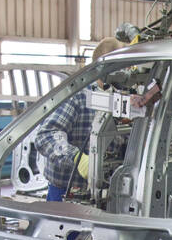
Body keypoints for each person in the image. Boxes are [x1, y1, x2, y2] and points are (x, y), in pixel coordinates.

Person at [36, 37, 128, 202]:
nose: (125, 71)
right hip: (66, 190)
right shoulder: (76, 95)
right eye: (120, 66)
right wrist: (77, 159)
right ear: (103, 66)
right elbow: (46, 136)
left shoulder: (121, 98)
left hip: (106, 193)